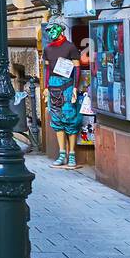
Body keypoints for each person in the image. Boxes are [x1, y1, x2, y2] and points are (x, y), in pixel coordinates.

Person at [43, 21, 82, 168]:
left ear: (60, 30)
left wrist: (74, 88)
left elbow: (77, 69)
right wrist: (46, 87)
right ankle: (61, 153)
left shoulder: (70, 47)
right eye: (48, 30)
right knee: (57, 119)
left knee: (70, 118)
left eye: (52, 29)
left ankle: (71, 154)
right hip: (53, 86)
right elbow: (47, 70)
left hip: (67, 85)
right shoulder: (48, 49)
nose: (50, 33)